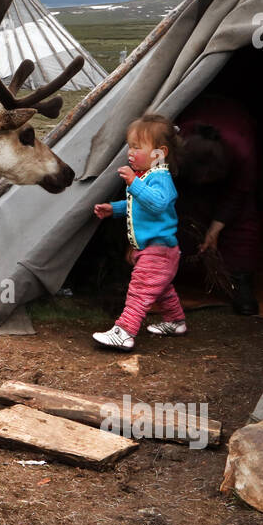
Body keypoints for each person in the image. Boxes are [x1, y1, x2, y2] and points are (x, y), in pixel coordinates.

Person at [91, 114, 186, 350]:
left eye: (137, 147)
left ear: (158, 153)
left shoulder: (160, 178)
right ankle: (175, 321)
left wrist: (134, 182)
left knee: (140, 290)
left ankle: (124, 332)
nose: (130, 152)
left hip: (160, 250)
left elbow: (157, 204)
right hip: (153, 250)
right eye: (129, 146)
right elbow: (137, 205)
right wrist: (113, 209)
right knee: (161, 289)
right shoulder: (147, 177)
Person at [177, 96, 260, 315]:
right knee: (185, 217)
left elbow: (239, 192)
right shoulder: (177, 140)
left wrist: (216, 228)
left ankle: (239, 281)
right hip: (187, 177)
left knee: (241, 224)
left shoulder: (242, 150)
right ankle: (175, 271)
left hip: (232, 170)